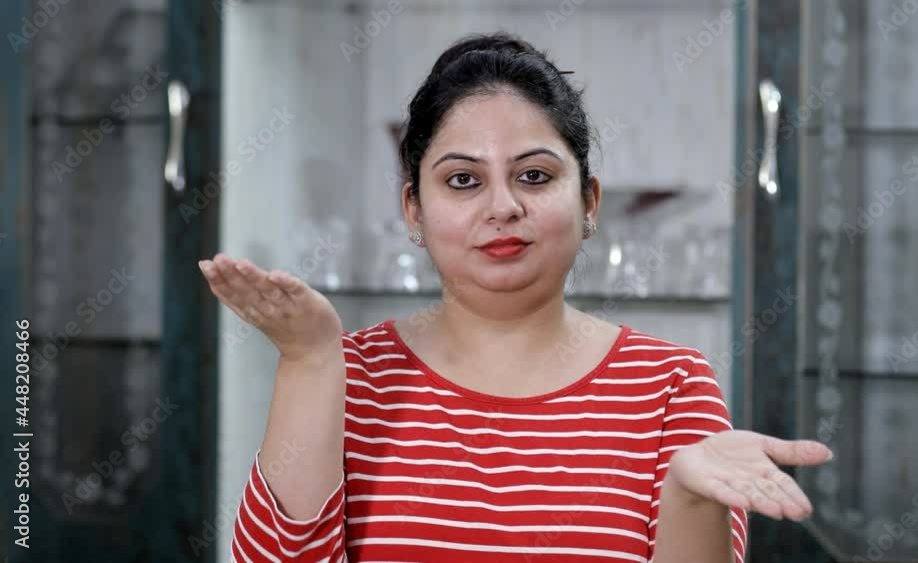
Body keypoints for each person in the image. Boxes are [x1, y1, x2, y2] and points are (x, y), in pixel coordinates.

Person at [200, 32, 833, 563]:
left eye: (534, 175)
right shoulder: (349, 377)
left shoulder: (672, 386)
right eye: (462, 180)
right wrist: (310, 360)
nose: (502, 207)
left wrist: (690, 499)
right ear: (413, 210)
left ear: (588, 201)